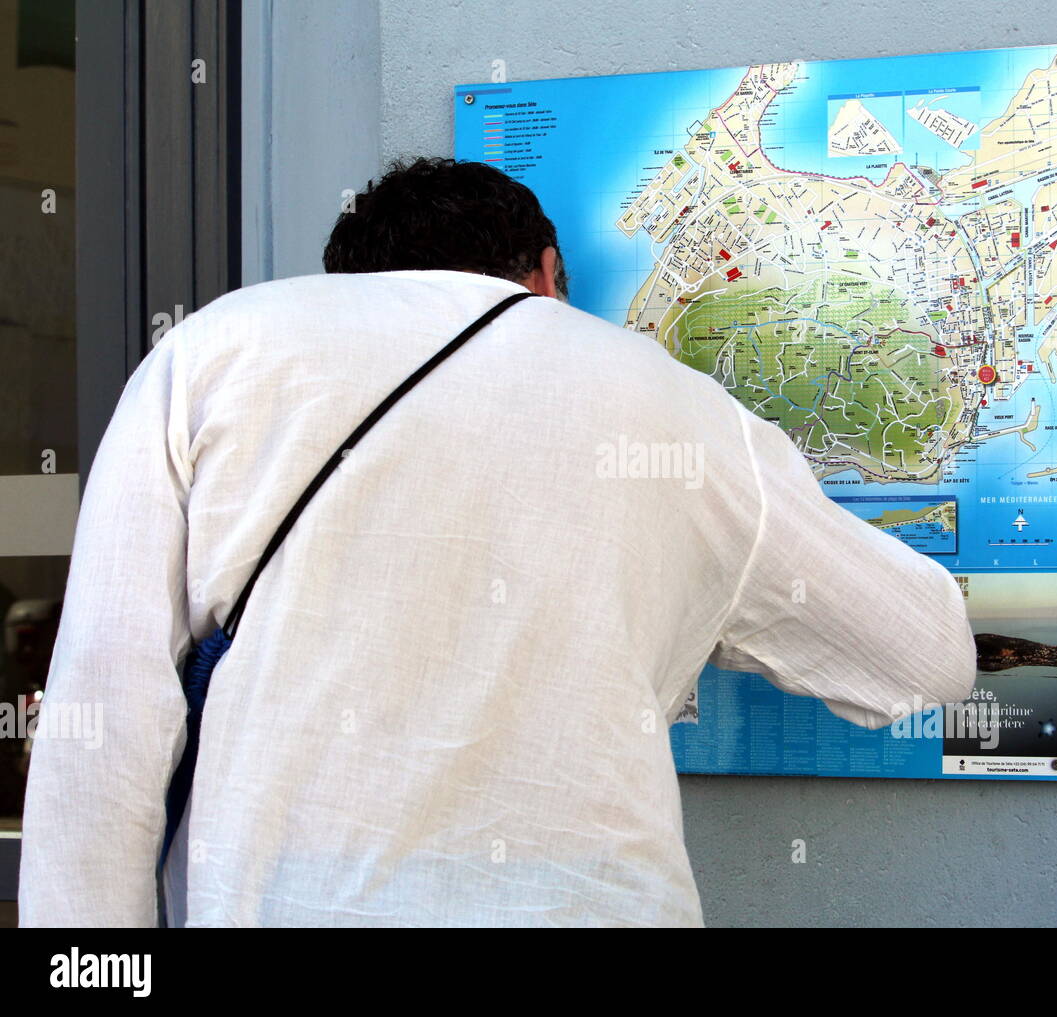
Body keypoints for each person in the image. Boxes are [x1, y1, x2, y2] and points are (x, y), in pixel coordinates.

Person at [19, 157, 975, 927]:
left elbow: (102, 724)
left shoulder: (214, 353)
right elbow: (926, 654)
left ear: (353, 278)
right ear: (550, 272)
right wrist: (690, 602)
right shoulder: (683, 412)